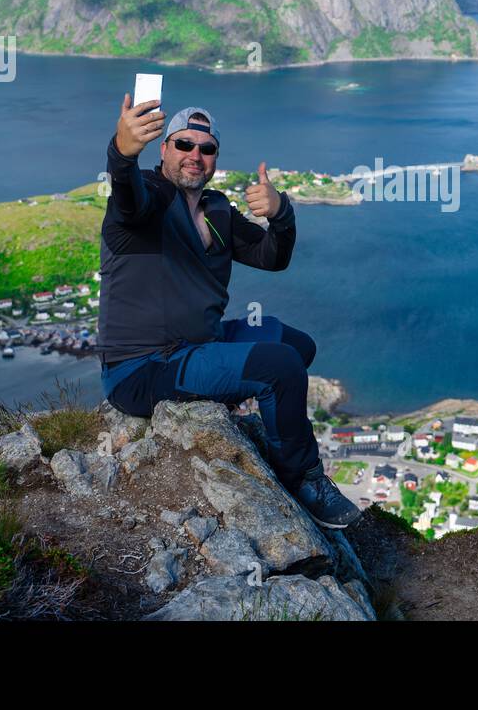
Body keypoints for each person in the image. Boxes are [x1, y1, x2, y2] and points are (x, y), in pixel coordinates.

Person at [96, 94, 360, 529]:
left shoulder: (217, 208)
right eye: (183, 144)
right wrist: (121, 152)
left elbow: (272, 258)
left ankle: (239, 403)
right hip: (142, 367)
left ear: (215, 156)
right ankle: (304, 480)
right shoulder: (147, 202)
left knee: (297, 345)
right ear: (163, 148)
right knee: (279, 367)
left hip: (199, 344)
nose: (195, 156)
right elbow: (127, 196)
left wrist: (281, 214)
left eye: (206, 148)